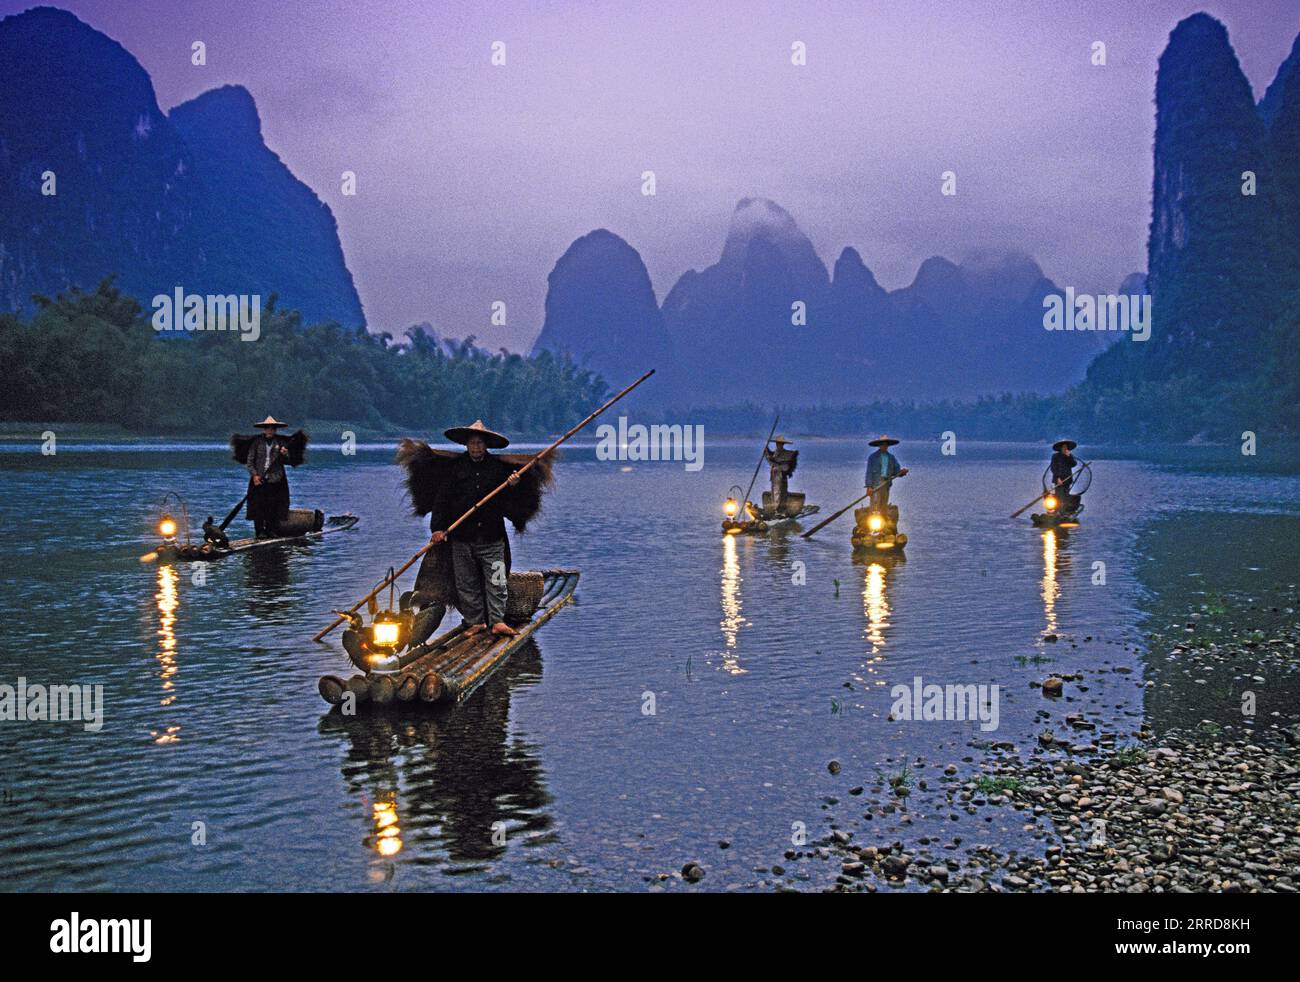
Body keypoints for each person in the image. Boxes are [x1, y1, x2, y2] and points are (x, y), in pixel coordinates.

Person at [427, 421, 526, 638]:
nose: (476, 447)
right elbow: (442, 500)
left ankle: (497, 621)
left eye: (479, 443)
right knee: (466, 583)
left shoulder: (499, 469)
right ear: (466, 445)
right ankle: (476, 622)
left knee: (498, 580)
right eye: (472, 443)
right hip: (462, 537)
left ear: (486, 445)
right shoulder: (455, 469)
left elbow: (510, 504)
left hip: (493, 537)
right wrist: (437, 529)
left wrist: (513, 486)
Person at [230, 416, 308, 539]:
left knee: (273, 506)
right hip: (259, 479)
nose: (270, 430)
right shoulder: (256, 443)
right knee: (258, 505)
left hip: (276, 479)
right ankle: (260, 531)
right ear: (264, 429)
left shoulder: (281, 443)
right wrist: (255, 475)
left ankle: (271, 530)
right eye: (268, 428)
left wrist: (285, 454)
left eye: (272, 428)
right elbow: (250, 461)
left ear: (275, 430)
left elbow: (288, 461)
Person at [865, 435, 908, 510]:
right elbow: (869, 472)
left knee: (883, 504)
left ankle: (883, 516)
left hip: (886, 483)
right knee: (875, 504)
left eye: (886, 444)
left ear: (888, 445)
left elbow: (896, 472)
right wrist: (869, 487)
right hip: (875, 485)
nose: (884, 446)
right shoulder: (873, 457)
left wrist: (902, 472)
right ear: (879, 445)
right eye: (882, 444)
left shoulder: (891, 458)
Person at [762, 436, 798, 514]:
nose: (778, 445)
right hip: (776, 475)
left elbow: (774, 462)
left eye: (780, 443)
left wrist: (767, 455)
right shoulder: (776, 453)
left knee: (779, 491)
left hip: (780, 475)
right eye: (778, 443)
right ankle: (778, 509)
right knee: (776, 491)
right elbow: (773, 460)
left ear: (782, 444)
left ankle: (779, 510)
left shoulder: (785, 454)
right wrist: (766, 453)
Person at [1049, 439, 1081, 515]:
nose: (1065, 448)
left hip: (1067, 479)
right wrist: (1058, 478)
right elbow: (1053, 468)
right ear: (1060, 448)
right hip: (1058, 479)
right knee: (1059, 495)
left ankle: (1064, 511)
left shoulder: (1069, 455)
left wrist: (1069, 456)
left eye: (1066, 447)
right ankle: (1058, 511)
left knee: (1065, 495)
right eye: (1063, 447)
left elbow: (1074, 464)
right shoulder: (1055, 456)